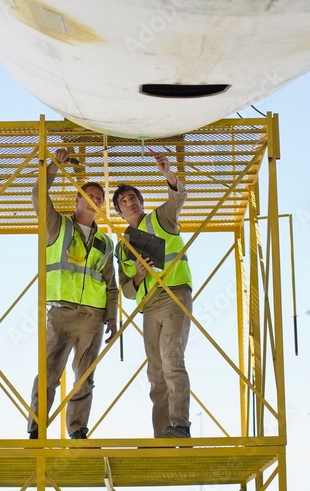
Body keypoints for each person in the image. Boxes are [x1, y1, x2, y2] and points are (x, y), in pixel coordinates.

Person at [27, 147, 118, 440]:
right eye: (89, 195)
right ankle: (37, 430)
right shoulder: (58, 227)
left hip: (93, 317)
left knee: (85, 378)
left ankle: (78, 430)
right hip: (61, 312)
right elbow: (39, 199)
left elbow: (111, 284)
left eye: (100, 199)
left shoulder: (106, 241)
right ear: (77, 199)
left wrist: (112, 318)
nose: (95, 201)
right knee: (49, 373)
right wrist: (53, 168)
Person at [113, 150, 193, 438]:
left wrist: (168, 174)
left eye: (133, 198)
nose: (129, 202)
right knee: (156, 373)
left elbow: (177, 199)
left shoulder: (161, 218)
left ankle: (180, 426)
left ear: (142, 203)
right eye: (123, 202)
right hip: (148, 306)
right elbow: (127, 291)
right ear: (119, 213)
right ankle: (163, 434)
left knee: (172, 359)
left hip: (173, 295)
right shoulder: (122, 246)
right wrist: (138, 275)